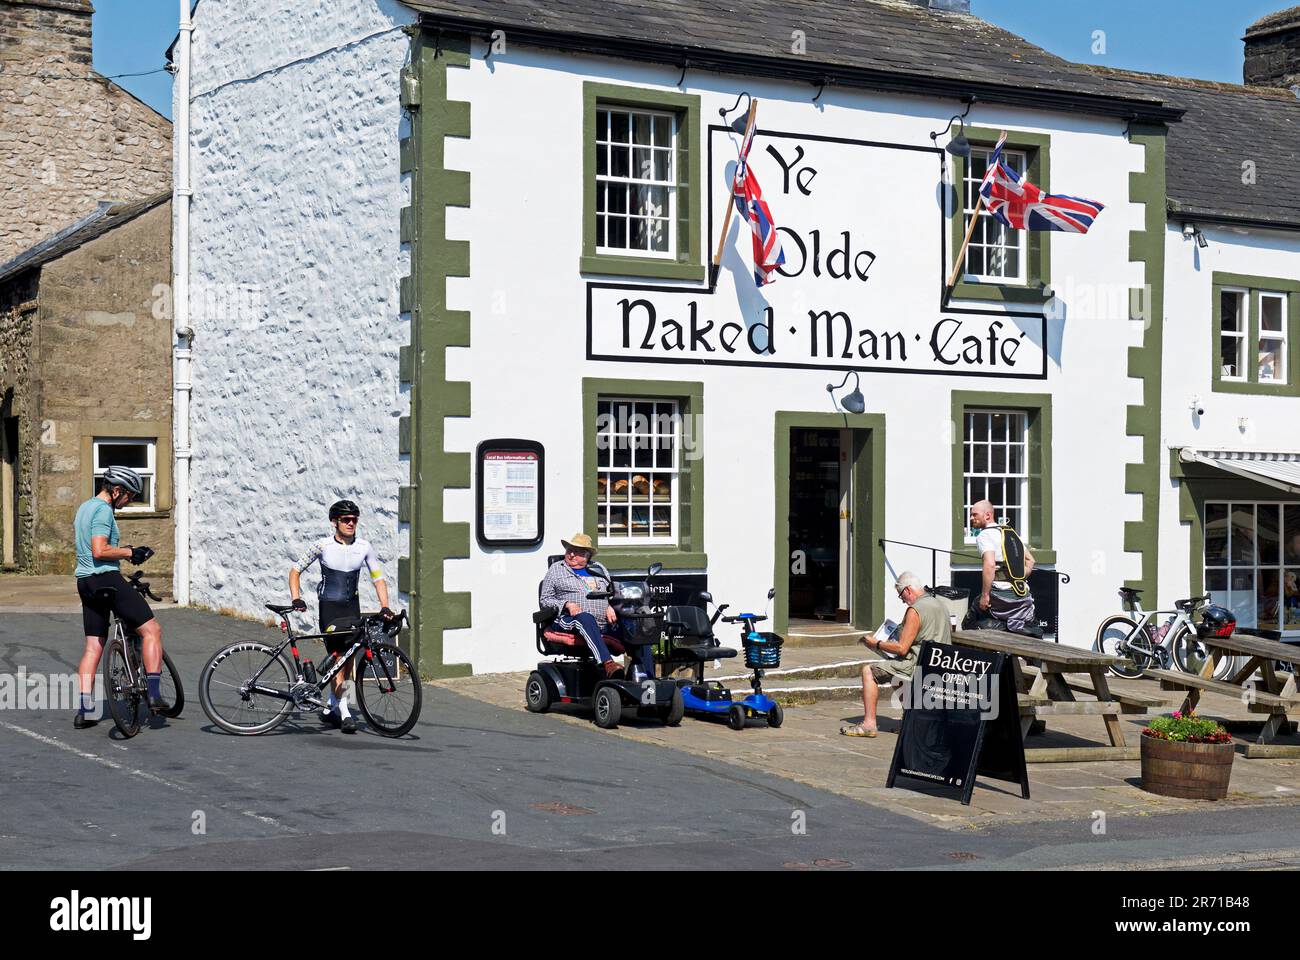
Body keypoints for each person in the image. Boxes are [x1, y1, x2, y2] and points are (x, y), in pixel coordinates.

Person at [72, 466, 167, 729]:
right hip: (105, 578)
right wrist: (129, 552)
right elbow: (100, 550)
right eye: (129, 495)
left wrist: (126, 551)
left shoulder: (84, 508)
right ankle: (155, 694)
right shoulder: (103, 511)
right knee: (152, 630)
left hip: (85, 582)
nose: (130, 501)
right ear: (116, 491)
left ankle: (85, 710)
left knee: (93, 646)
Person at [288, 499, 393, 734]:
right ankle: (344, 711)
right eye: (346, 519)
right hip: (330, 609)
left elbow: (378, 577)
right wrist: (296, 597)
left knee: (348, 660)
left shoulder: (364, 547)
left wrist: (384, 605)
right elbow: (295, 570)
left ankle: (331, 706)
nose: (351, 523)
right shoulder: (322, 545)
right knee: (337, 659)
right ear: (334, 522)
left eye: (354, 520)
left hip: (351, 608)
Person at [842, 571, 951, 738]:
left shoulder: (915, 610)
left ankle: (869, 724)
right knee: (895, 673)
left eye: (901, 596)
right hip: (939, 663)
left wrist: (876, 643)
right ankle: (911, 721)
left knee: (868, 671)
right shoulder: (940, 605)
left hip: (917, 664)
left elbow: (901, 648)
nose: (903, 600)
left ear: (908, 590)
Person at [539, 532, 654, 681]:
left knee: (636, 629)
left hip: (602, 623)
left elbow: (610, 592)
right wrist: (566, 604)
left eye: (577, 552)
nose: (571, 554)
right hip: (568, 620)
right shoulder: (557, 569)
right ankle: (608, 663)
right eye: (569, 550)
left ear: (587, 555)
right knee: (585, 618)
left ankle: (649, 680)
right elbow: (545, 600)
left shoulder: (599, 568)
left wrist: (609, 605)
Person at [968, 499, 1038, 635]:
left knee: (971, 622)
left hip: (1001, 596)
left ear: (987, 515)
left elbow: (990, 564)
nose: (971, 518)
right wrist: (1016, 577)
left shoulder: (984, 535)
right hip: (1023, 597)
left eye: (975, 514)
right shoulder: (1009, 533)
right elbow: (1030, 560)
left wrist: (985, 595)